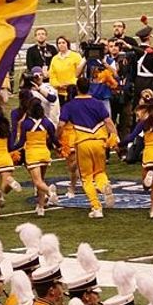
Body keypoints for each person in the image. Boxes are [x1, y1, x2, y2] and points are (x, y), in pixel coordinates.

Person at [58, 77, 119, 218]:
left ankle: (96, 207)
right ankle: (104, 186)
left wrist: (57, 138)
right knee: (100, 172)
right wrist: (114, 137)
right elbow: (109, 122)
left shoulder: (69, 106)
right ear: (89, 87)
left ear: (77, 88)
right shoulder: (98, 103)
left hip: (83, 143)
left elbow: (61, 125)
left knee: (86, 178)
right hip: (99, 142)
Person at [48, 36, 83, 103]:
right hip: (59, 93)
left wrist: (71, 84)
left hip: (73, 91)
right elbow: (52, 76)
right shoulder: (54, 59)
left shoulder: (76, 56)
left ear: (67, 44)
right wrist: (58, 85)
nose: (61, 44)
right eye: (59, 43)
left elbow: (80, 73)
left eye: (63, 42)